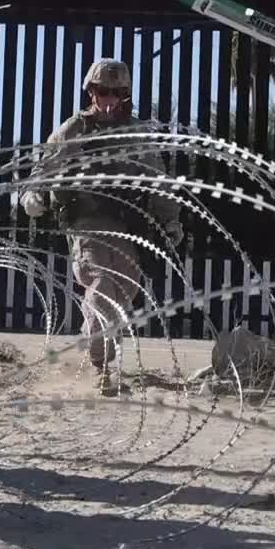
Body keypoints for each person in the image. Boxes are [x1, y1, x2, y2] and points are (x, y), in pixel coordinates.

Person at [18, 58, 183, 396]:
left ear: (125, 95)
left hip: (127, 225)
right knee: (100, 280)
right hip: (86, 221)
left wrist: (170, 221)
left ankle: (102, 352)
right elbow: (44, 169)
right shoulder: (73, 130)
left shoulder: (137, 133)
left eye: (116, 92)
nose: (108, 99)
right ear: (91, 92)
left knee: (124, 287)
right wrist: (33, 196)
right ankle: (99, 363)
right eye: (102, 91)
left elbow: (159, 182)